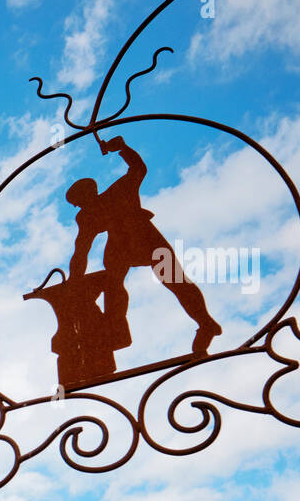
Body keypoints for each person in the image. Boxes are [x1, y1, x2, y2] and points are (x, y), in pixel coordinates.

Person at [65, 135, 222, 357]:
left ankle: (206, 323)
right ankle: (114, 329)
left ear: (87, 195)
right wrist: (75, 280)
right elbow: (81, 250)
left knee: (175, 281)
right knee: (113, 283)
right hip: (120, 246)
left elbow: (138, 168)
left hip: (145, 236)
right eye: (77, 205)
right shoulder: (88, 216)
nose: (78, 207)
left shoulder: (119, 191)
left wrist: (122, 148)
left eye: (78, 203)